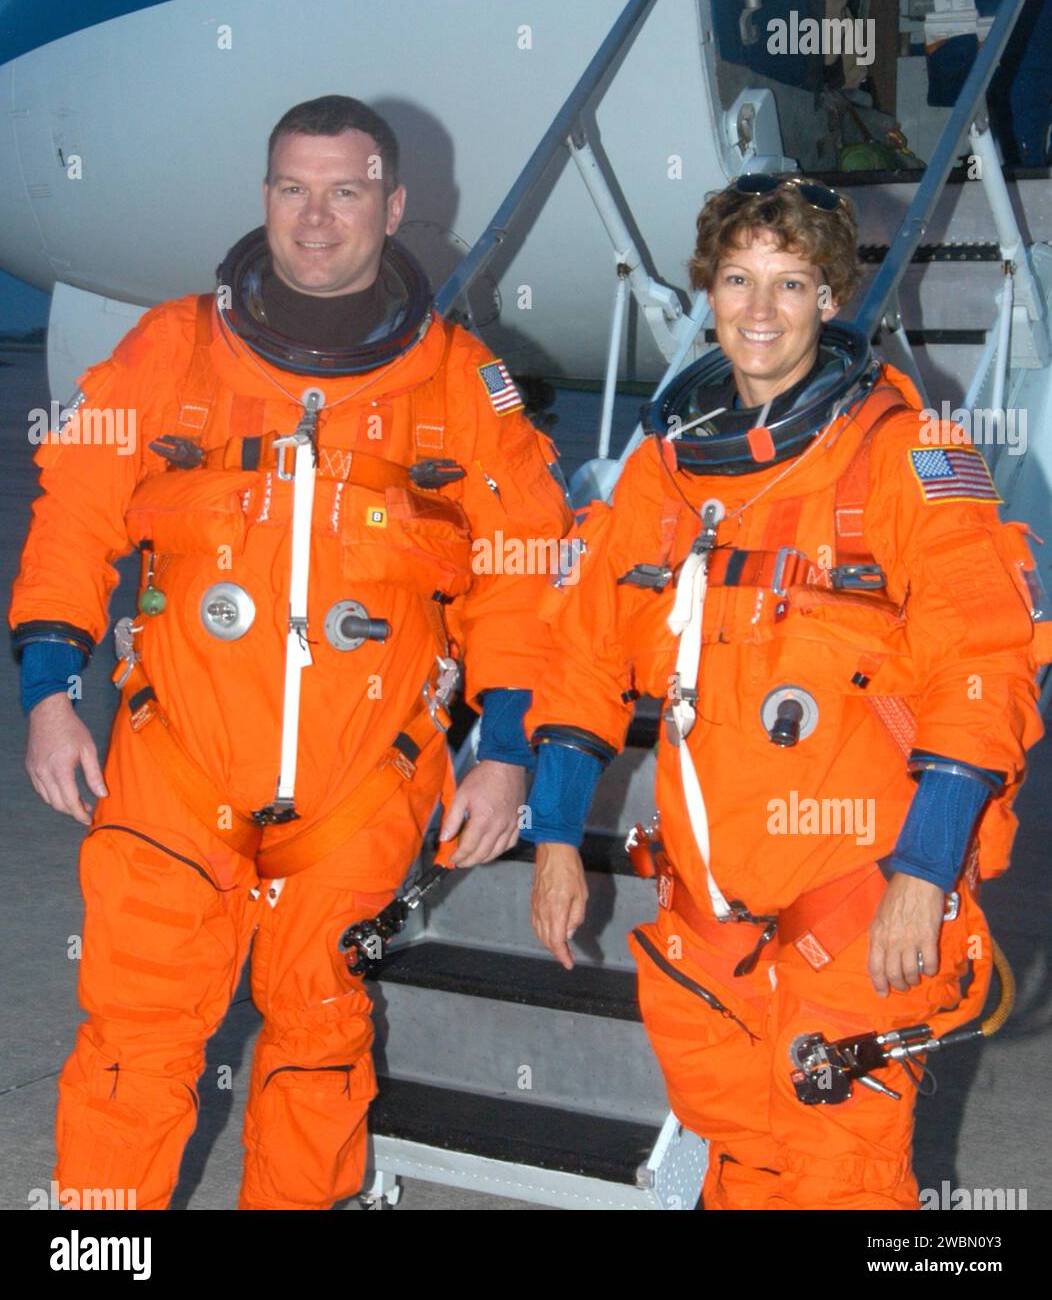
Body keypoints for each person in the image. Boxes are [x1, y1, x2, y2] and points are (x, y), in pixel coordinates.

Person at [10, 95, 572, 1211]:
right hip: (173, 769)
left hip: (359, 785)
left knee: (317, 1053)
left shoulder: (459, 386)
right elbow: (74, 514)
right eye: (292, 190)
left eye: (346, 191)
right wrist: (46, 691)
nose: (316, 220)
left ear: (394, 205)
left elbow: (522, 571)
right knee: (133, 1049)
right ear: (263, 197)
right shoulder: (173, 350)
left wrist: (506, 744)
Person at [523, 173, 1050, 1209]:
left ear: (828, 297)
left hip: (857, 906)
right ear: (706, 293)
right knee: (738, 1162)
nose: (758, 310)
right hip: (706, 920)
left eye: (789, 282)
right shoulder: (663, 475)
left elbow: (979, 666)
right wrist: (551, 839)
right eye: (735, 278)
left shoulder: (905, 456)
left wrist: (920, 875)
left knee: (840, 1179)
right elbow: (580, 652)